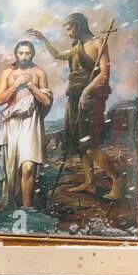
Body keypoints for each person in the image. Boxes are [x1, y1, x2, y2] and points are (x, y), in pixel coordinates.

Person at [28, 13, 121, 201]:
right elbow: (56, 54)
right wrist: (43, 38)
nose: (68, 33)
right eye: (67, 29)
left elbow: (104, 74)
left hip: (90, 97)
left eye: (70, 28)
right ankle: (90, 182)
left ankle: (117, 179)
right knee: (80, 142)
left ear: (79, 26)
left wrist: (86, 92)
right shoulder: (75, 47)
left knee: (89, 144)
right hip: (74, 97)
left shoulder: (98, 43)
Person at [0, 41, 52, 212]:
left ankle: (27, 207)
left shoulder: (38, 72)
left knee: (28, 166)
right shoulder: (8, 72)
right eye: (21, 53)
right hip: (12, 122)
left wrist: (30, 85)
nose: (24, 56)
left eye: (27, 53)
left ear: (32, 54)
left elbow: (46, 101)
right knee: (12, 168)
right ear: (16, 54)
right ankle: (13, 200)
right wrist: (16, 84)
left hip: (31, 121)